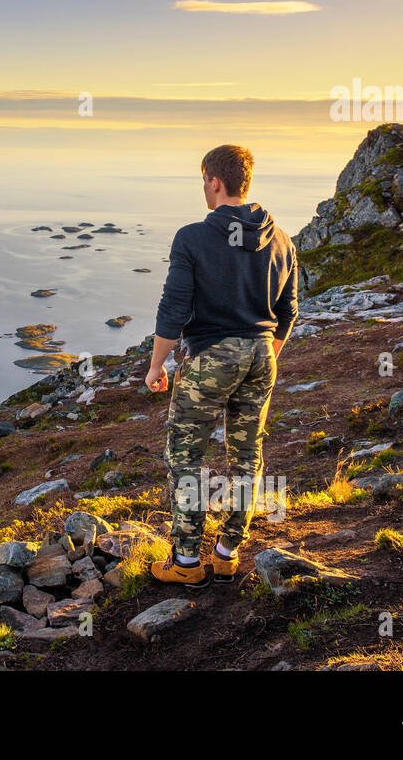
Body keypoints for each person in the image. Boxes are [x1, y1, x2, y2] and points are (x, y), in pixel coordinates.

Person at [143, 144, 298, 587]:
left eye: (203, 180)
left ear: (214, 180)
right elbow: (288, 312)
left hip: (212, 356)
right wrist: (265, 353)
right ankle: (228, 553)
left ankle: (187, 563)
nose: (203, 188)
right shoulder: (282, 239)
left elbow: (173, 308)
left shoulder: (193, 237)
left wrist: (156, 366)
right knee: (247, 456)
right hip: (262, 353)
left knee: (186, 456)